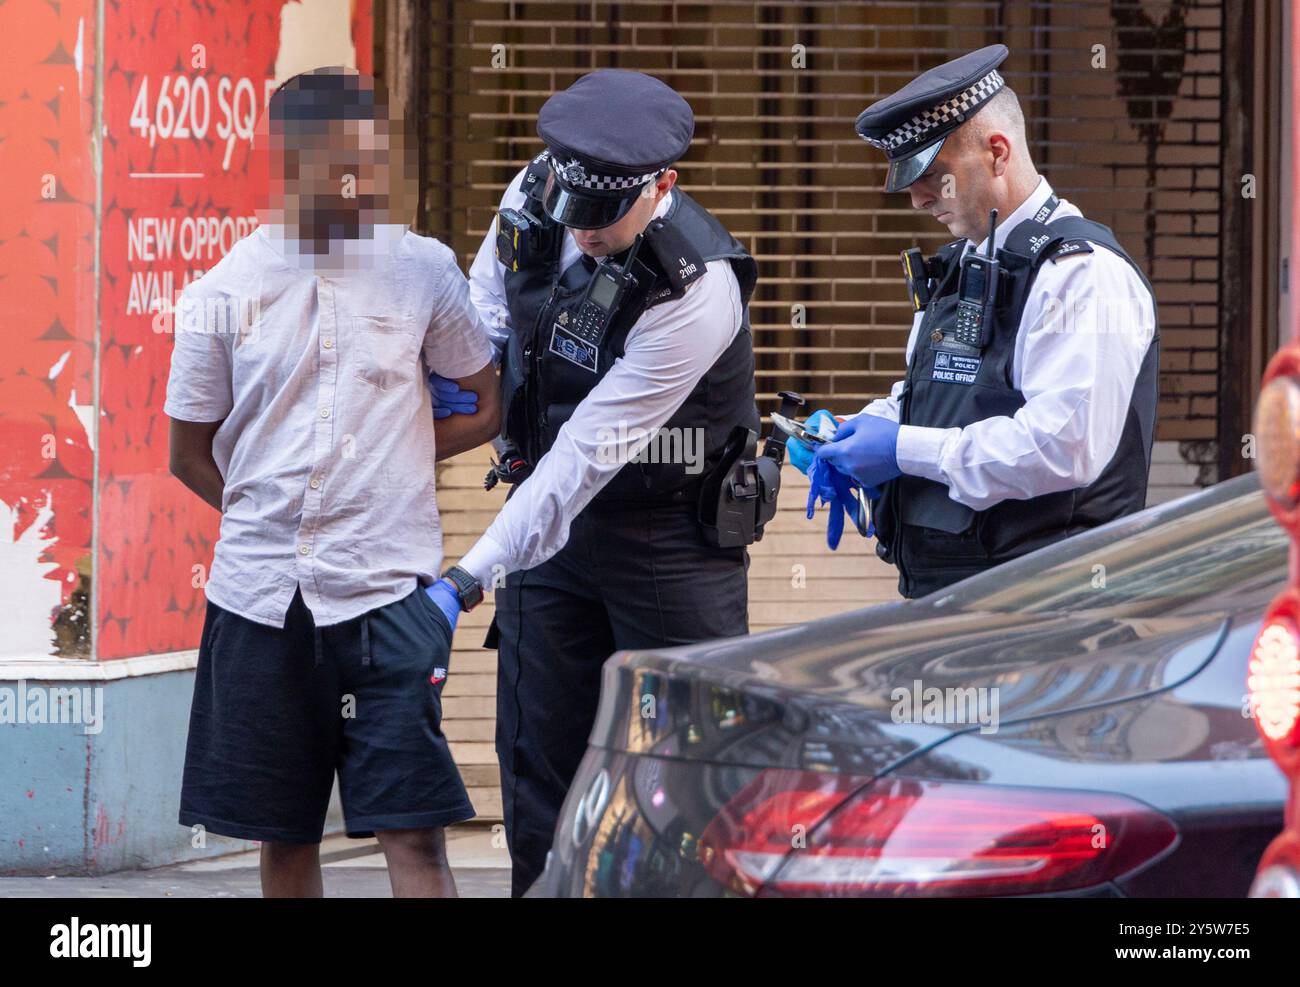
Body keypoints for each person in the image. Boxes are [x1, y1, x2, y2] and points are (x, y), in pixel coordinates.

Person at [425, 69, 769, 895]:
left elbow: (585, 453)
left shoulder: (697, 287)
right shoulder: (539, 191)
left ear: (664, 185)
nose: (581, 232)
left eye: (604, 216)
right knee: (540, 767)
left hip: (672, 546)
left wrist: (468, 577)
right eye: (571, 209)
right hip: (551, 534)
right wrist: (461, 378)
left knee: (690, 788)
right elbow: (489, 306)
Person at [164, 67, 499, 897]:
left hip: (389, 598)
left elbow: (487, 405)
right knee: (285, 838)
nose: (360, 184)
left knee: (416, 837)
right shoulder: (222, 292)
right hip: (260, 601)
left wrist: (392, 466)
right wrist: (261, 512)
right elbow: (188, 451)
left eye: (369, 163)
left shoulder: (423, 270)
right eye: (339, 165)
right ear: (287, 164)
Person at [792, 45, 1159, 599]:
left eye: (932, 176)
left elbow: (1064, 446)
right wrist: (853, 430)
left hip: (1047, 604)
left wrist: (899, 448)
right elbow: (946, 393)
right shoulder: (969, 261)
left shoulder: (1082, 274)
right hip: (953, 591)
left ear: (996, 152)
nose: (917, 200)